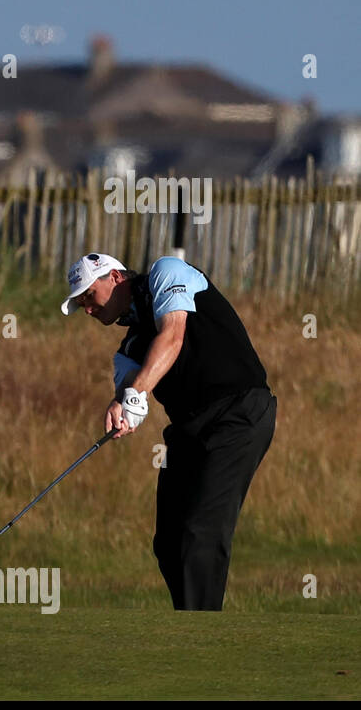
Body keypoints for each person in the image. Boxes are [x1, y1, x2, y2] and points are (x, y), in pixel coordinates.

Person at [61, 252, 276, 611]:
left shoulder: (167, 272)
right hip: (190, 429)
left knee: (200, 532)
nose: (87, 308)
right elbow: (128, 388)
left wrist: (136, 392)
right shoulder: (128, 348)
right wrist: (124, 409)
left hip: (239, 411)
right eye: (81, 303)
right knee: (171, 540)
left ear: (114, 277)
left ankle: (201, 640)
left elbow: (173, 335)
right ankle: (189, 623)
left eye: (88, 295)